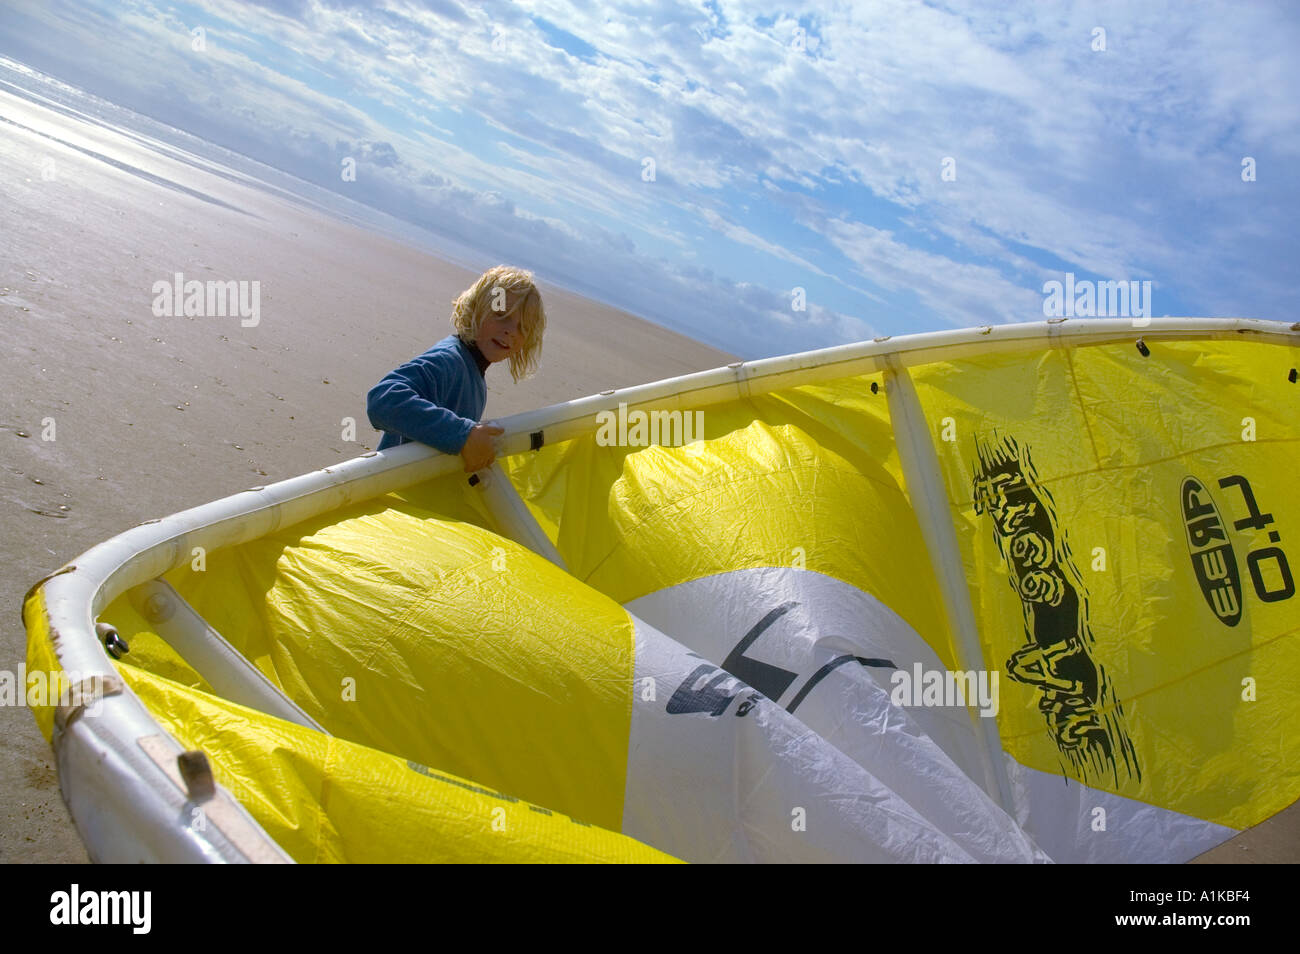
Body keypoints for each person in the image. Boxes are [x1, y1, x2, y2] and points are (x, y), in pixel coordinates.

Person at [367, 265, 545, 472]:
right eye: (501, 315)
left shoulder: (474, 374)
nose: (510, 332)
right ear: (476, 308)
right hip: (396, 496)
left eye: (522, 327)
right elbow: (382, 400)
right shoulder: (449, 362)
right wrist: (463, 434)